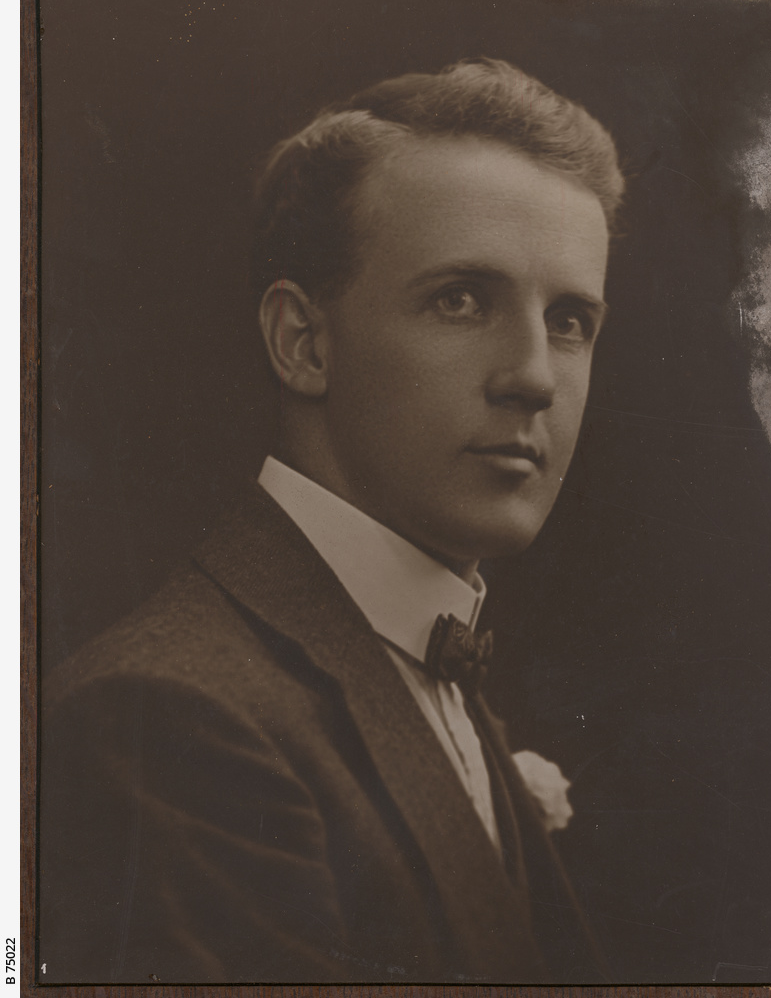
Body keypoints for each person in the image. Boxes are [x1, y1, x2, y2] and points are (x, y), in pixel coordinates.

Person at [39, 58, 624, 985]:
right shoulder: (172, 718)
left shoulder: (428, 660)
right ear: (303, 343)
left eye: (569, 320)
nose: (535, 376)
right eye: (460, 299)